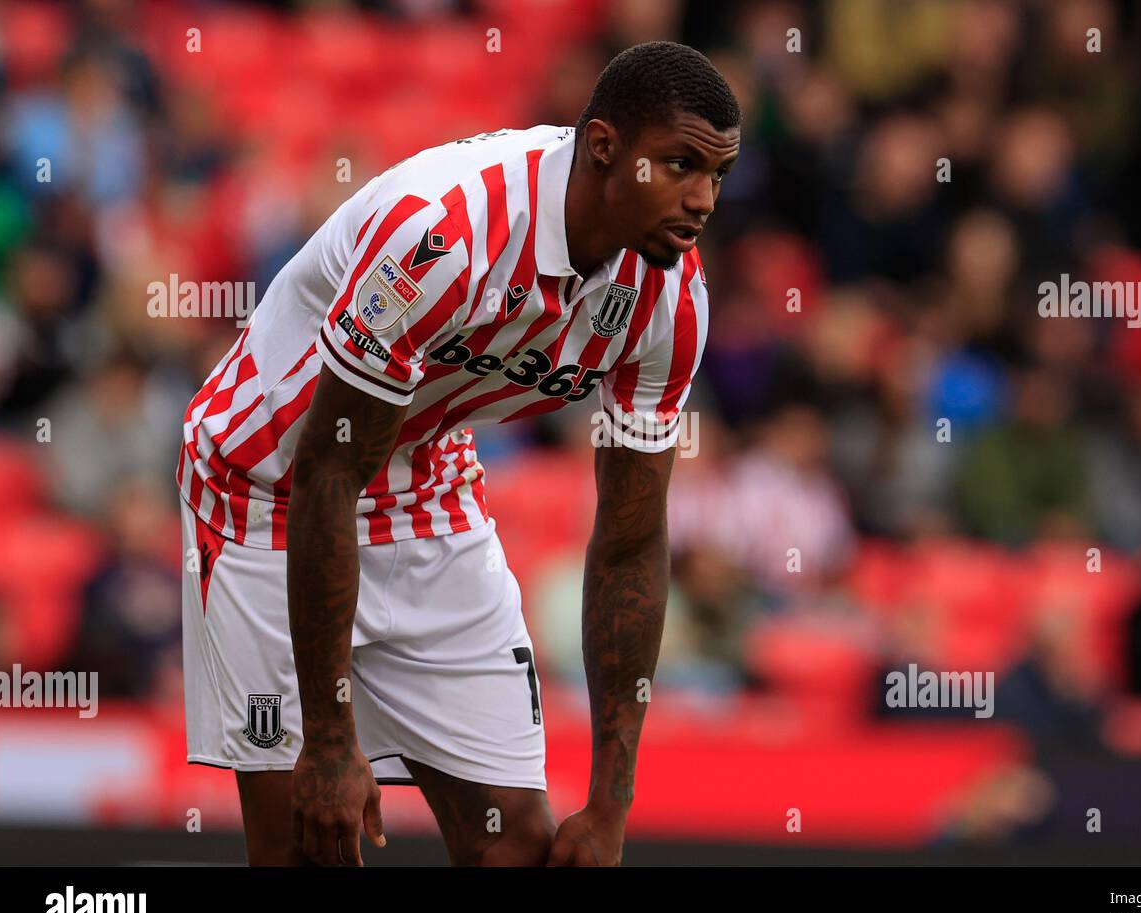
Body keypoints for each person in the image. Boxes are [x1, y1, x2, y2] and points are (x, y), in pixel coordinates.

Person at [175, 41, 741, 866]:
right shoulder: (444, 234)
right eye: (681, 165)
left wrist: (611, 803)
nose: (702, 200)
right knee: (311, 842)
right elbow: (327, 473)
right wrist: (330, 736)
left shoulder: (671, 300)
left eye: (718, 174)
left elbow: (629, 542)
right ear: (603, 146)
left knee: (515, 844)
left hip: (427, 486)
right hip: (266, 487)